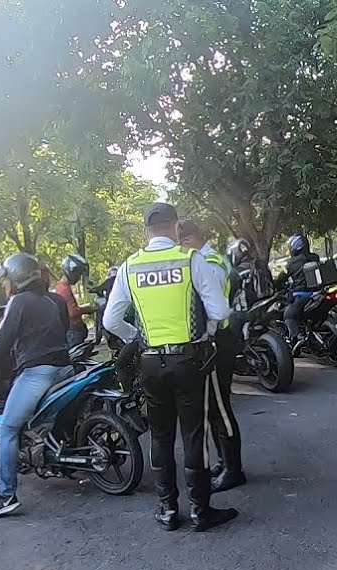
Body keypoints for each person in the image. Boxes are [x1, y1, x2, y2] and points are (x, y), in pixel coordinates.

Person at [104, 203, 237, 532]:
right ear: (176, 226)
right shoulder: (192, 260)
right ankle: (200, 510)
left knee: (160, 436)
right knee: (194, 434)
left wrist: (138, 337)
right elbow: (220, 311)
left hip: (150, 362)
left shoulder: (129, 267)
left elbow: (111, 320)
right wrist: (204, 333)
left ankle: (166, 510)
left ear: (146, 232)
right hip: (189, 359)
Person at [0, 253, 75, 518]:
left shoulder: (18, 302)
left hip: (37, 374)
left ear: (17, 278)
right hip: (64, 369)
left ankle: (6, 495)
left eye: (5, 281)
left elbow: (0, 341)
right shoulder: (50, 301)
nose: (3, 286)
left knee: (7, 429)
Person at [179, 220, 247, 493]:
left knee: (220, 408)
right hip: (216, 340)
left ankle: (233, 469)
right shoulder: (208, 259)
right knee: (212, 407)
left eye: (181, 242)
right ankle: (224, 462)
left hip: (220, 340)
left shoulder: (210, 262)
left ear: (192, 237)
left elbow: (213, 307)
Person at [276, 233, 321, 347]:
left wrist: (274, 284)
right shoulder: (315, 257)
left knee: (288, 316)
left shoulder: (291, 263)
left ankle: (298, 336)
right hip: (318, 293)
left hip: (302, 295)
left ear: (295, 247)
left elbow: (281, 278)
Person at [55, 253, 95, 347]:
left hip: (74, 331)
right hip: (73, 332)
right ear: (71, 271)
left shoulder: (62, 287)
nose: (78, 278)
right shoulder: (64, 289)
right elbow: (72, 312)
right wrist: (89, 308)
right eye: (78, 274)